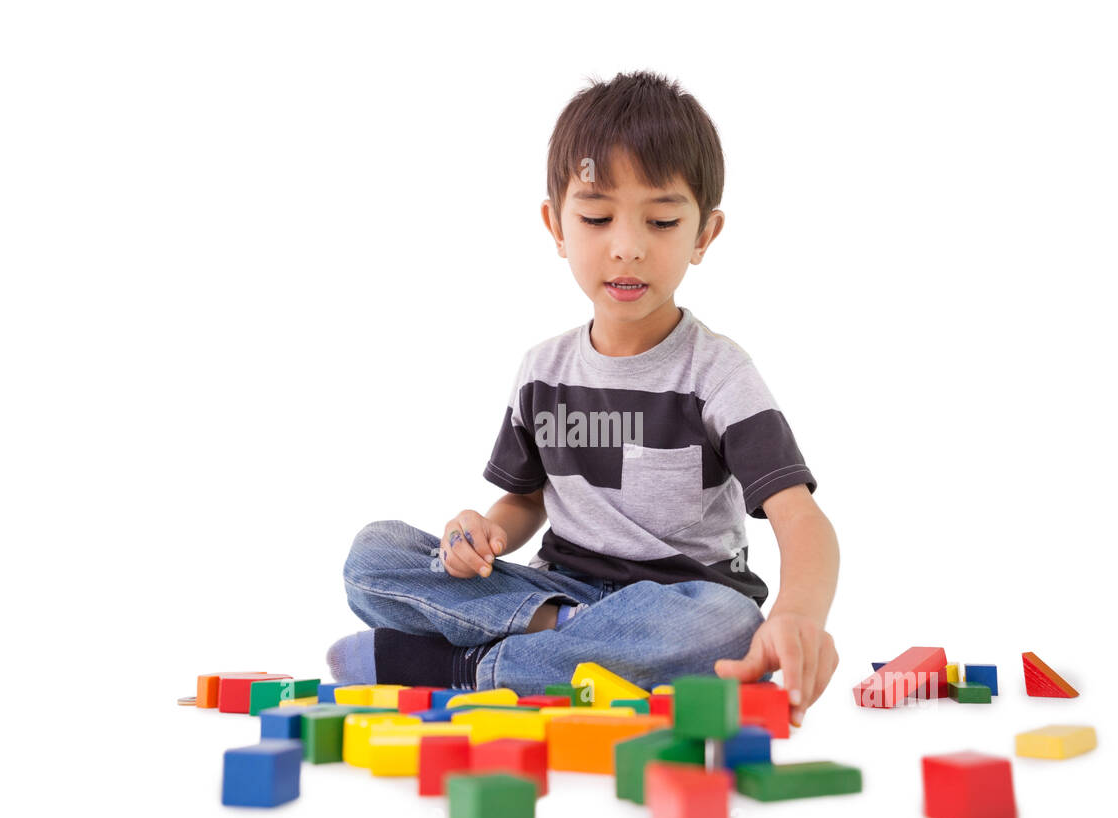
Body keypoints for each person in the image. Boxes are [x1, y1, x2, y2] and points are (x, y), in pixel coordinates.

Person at [329, 70, 839, 727]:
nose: (627, 246)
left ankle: (460, 668)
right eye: (597, 217)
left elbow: (802, 521)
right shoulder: (543, 372)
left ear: (704, 235)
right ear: (557, 225)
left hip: (678, 602)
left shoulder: (720, 376)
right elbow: (523, 501)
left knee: (729, 625)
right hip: (554, 591)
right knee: (375, 555)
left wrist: (796, 615)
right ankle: (561, 642)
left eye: (660, 220)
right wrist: (484, 532)